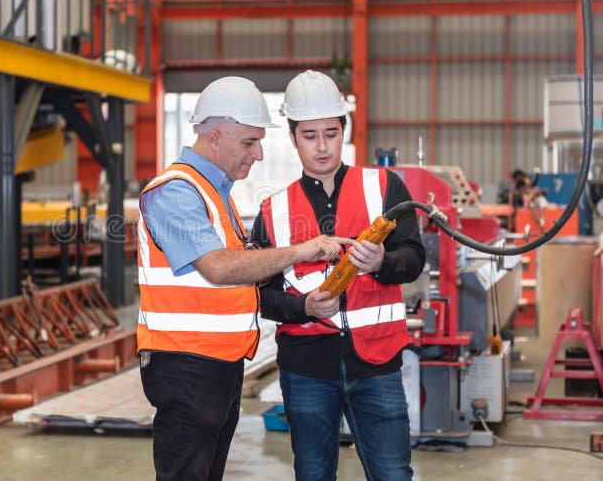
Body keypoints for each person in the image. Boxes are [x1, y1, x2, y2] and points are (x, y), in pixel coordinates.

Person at [137, 76, 343, 481]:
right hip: (186, 365)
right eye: (249, 142)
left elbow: (239, 288)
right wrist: (302, 251)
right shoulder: (176, 193)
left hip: (216, 365)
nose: (259, 153)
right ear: (215, 138)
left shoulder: (216, 195)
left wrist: (301, 304)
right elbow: (219, 267)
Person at [250, 70, 426, 481]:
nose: (322, 146)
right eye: (310, 136)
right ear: (292, 138)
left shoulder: (384, 188)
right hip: (307, 370)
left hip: (377, 365)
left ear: (344, 129)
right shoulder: (273, 212)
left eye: (331, 133)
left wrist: (381, 262)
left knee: (393, 474)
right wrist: (303, 306)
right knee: (313, 474)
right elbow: (262, 297)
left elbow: (414, 259)